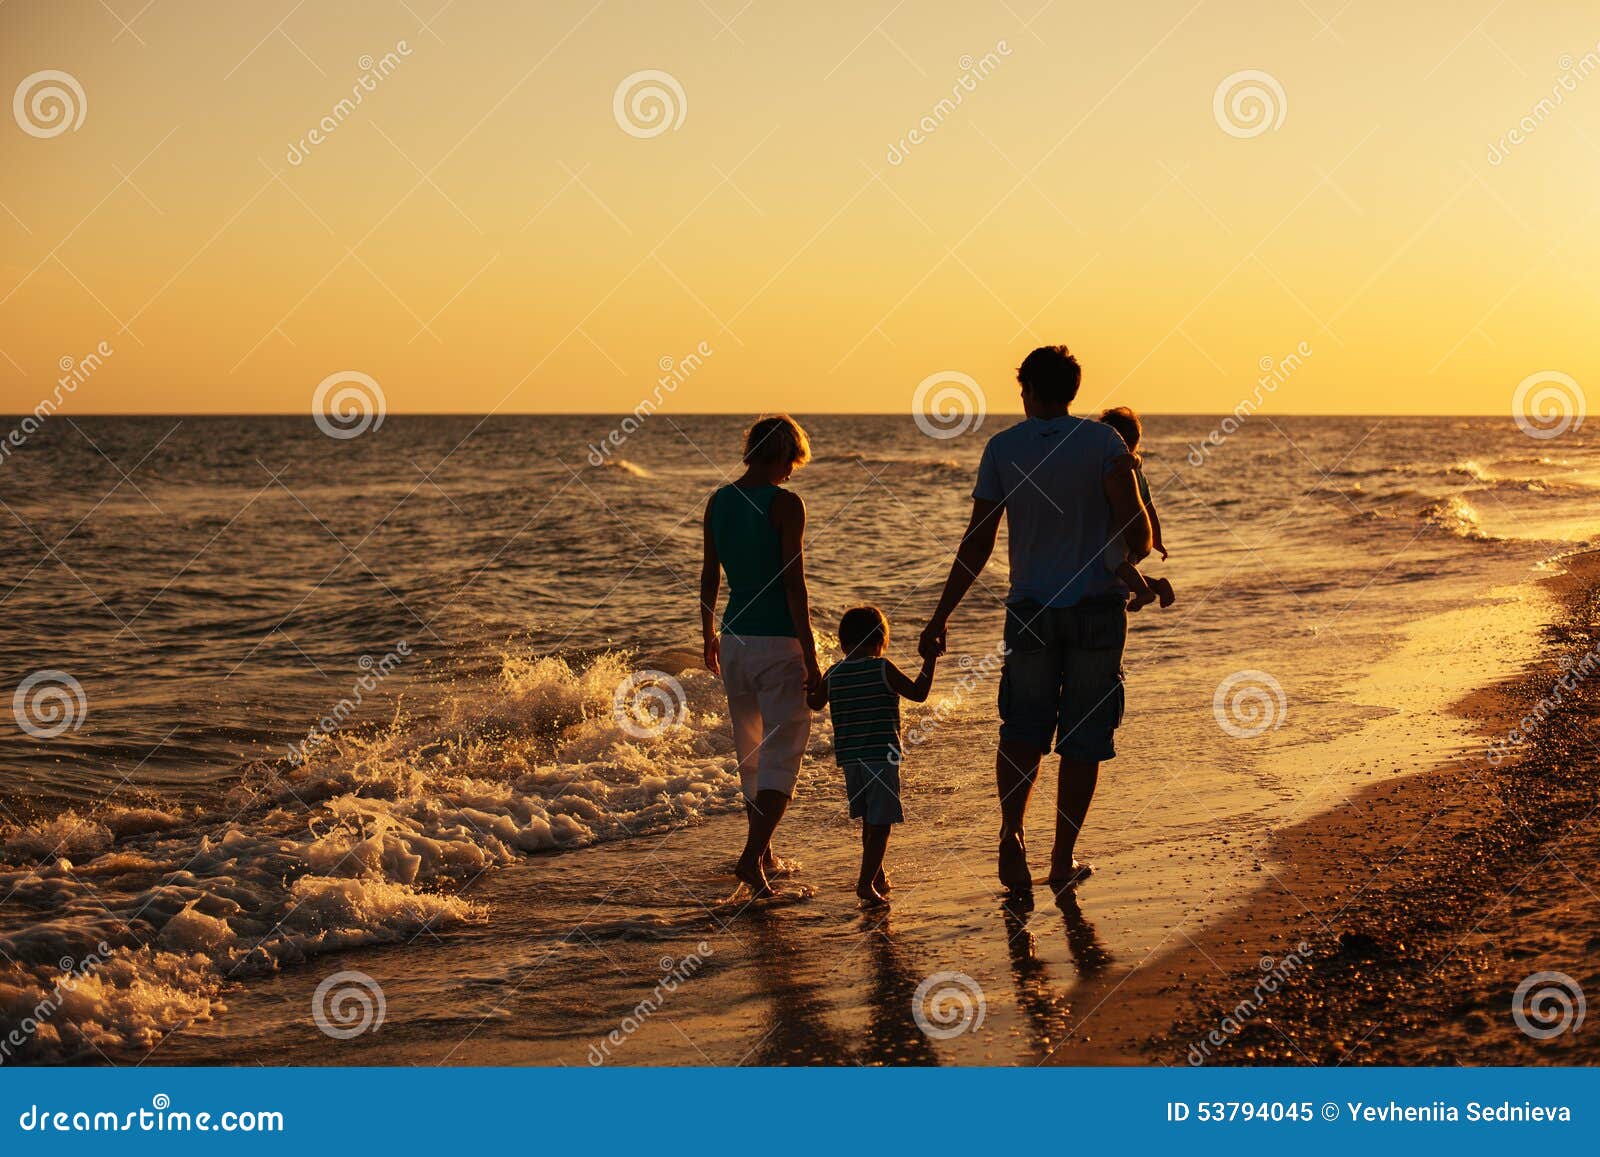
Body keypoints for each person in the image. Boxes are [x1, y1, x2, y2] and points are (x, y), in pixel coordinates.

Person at [919, 345, 1161, 892]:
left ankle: (1011, 835)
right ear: (1073, 390)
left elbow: (977, 542)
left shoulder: (1003, 449)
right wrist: (1127, 562)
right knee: (1084, 738)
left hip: (1029, 612)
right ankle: (1061, 859)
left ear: (1026, 388)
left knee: (1022, 730)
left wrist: (940, 616)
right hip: (1097, 612)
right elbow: (1138, 533)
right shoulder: (1105, 441)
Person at [700, 415, 822, 898]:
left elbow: (711, 574)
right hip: (778, 642)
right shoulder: (785, 505)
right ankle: (751, 858)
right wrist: (811, 656)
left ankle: (764, 852)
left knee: (750, 753)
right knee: (783, 752)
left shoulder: (719, 500)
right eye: (792, 461)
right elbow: (795, 585)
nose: (792, 472)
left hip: (734, 641)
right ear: (782, 454)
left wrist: (707, 631)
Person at [807, 606, 937, 906]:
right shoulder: (882, 667)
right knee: (881, 824)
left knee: (869, 818)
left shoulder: (834, 673)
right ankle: (865, 883)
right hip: (881, 756)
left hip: (850, 760)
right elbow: (919, 693)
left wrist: (808, 682)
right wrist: (930, 659)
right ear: (881, 640)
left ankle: (876, 875)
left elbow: (814, 703)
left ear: (843, 642)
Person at [1097, 406, 1174, 612]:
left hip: (1119, 530)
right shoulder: (1139, 472)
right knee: (1118, 572)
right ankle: (1156, 585)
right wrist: (1156, 540)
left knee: (1113, 562)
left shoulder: (1117, 464)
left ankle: (1144, 592)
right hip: (1136, 533)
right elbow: (1150, 509)